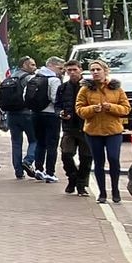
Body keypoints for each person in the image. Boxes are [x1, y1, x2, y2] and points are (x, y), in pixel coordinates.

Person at [77, 58, 131, 206]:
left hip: (113, 131)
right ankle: (102, 193)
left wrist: (111, 107)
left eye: (98, 69)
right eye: (92, 70)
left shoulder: (116, 88)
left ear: (105, 71)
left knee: (113, 159)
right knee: (98, 162)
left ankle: (115, 190)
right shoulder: (85, 89)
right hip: (93, 132)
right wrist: (92, 109)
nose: (95, 72)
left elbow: (126, 109)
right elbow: (80, 110)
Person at [55, 63, 89, 198]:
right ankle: (72, 177)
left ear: (80, 70)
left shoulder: (88, 87)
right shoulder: (62, 88)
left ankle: (81, 185)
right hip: (69, 127)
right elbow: (57, 105)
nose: (72, 72)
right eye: (69, 70)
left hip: (86, 127)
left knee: (86, 158)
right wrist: (60, 113)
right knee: (66, 154)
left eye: (75, 70)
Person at [0, 57, 37, 178]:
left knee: (16, 143)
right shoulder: (29, 78)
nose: (34, 67)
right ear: (24, 65)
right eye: (32, 65)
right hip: (26, 113)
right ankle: (28, 160)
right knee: (35, 139)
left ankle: (18, 171)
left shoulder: (10, 78)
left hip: (12, 114)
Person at [28, 58, 62, 182]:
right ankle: (50, 173)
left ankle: (38, 169)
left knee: (40, 142)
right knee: (52, 144)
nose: (61, 71)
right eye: (60, 68)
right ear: (52, 66)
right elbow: (54, 98)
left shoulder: (33, 78)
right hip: (51, 114)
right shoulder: (54, 80)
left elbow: (25, 96)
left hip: (35, 114)